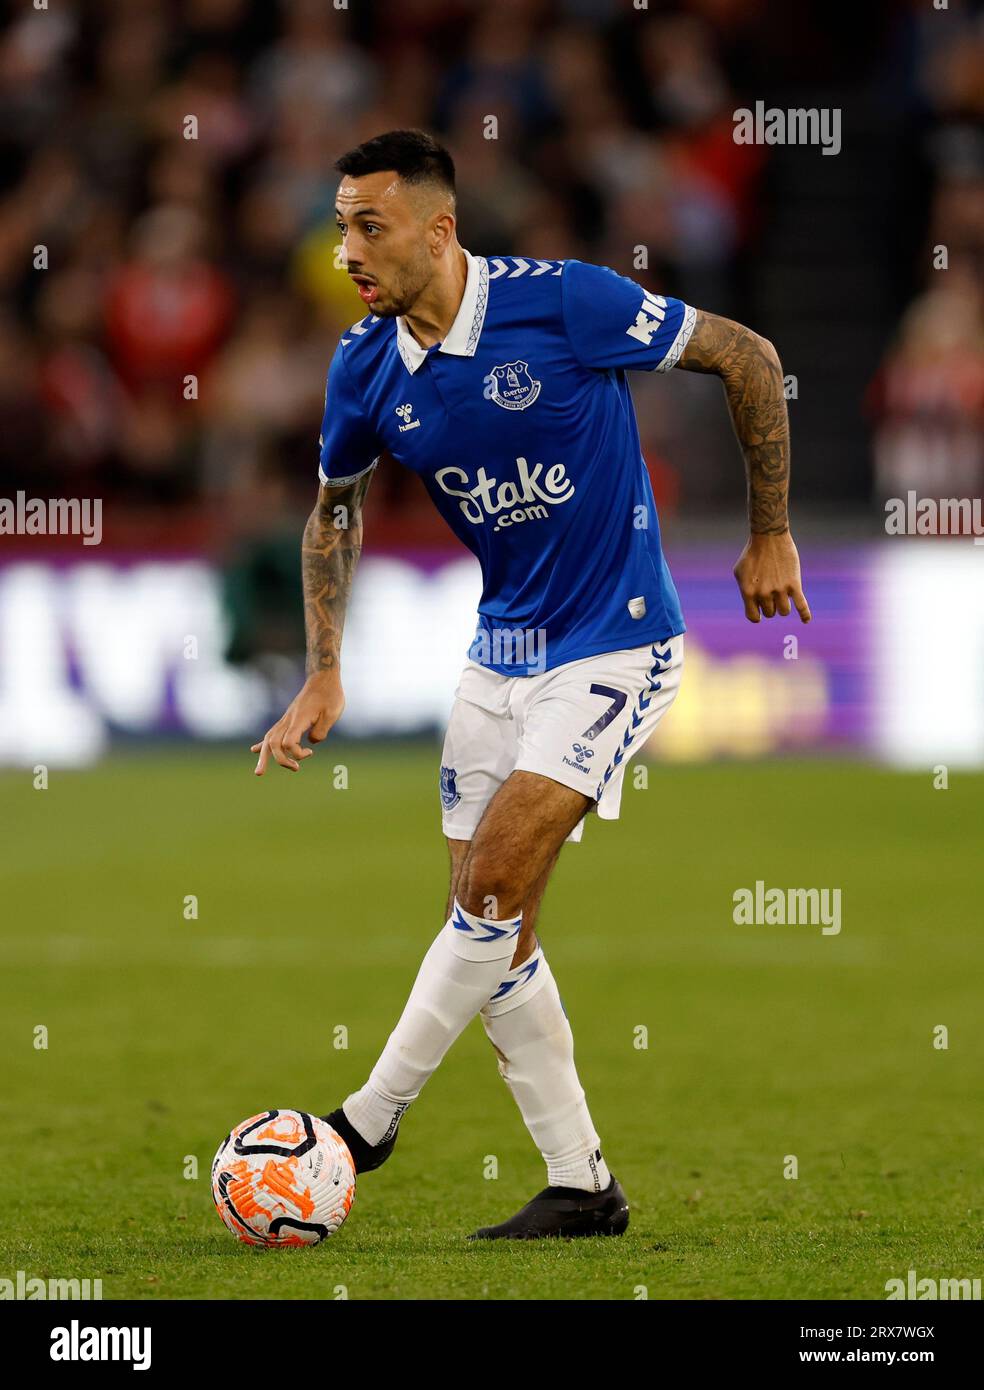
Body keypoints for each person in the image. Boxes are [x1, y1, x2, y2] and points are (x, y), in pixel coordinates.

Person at [252, 129, 811, 1240]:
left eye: (370, 225)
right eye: (339, 227)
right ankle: (582, 1184)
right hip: (497, 653)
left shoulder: (565, 305)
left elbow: (746, 353)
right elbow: (337, 507)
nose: (347, 252)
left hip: (618, 638)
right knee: (495, 927)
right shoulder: (364, 366)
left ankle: (364, 1124)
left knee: (492, 886)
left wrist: (771, 533)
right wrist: (324, 670)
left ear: (439, 227)